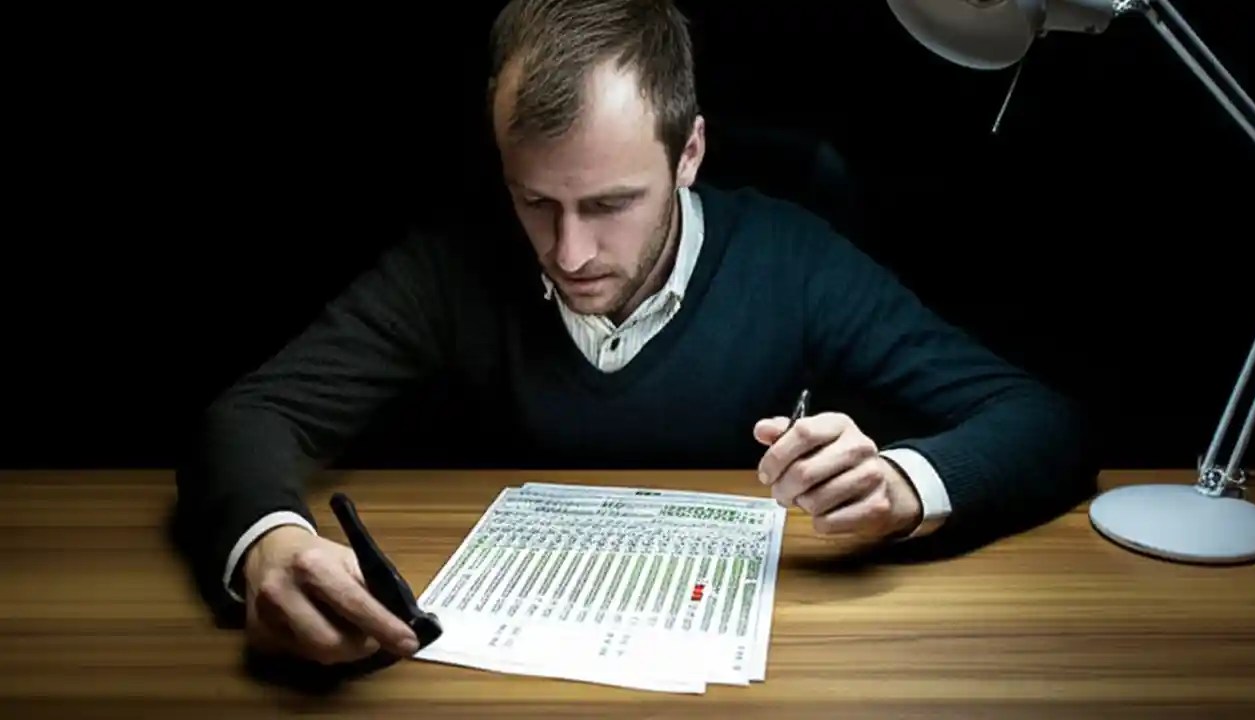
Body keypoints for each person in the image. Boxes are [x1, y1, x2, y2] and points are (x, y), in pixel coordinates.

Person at [175, 0, 1096, 669]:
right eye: (535, 200)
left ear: (689, 152)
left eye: (611, 204)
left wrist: (902, 485)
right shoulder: (453, 265)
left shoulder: (794, 259)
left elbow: (1046, 421)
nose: (568, 252)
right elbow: (249, 417)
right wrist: (271, 544)